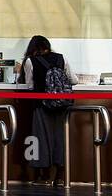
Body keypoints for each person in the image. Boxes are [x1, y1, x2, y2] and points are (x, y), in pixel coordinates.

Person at [20, 34, 80, 185]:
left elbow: (29, 86)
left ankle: (43, 176)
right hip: (61, 105)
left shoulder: (30, 61)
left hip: (41, 105)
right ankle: (60, 176)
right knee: (59, 138)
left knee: (40, 139)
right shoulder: (61, 58)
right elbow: (74, 80)